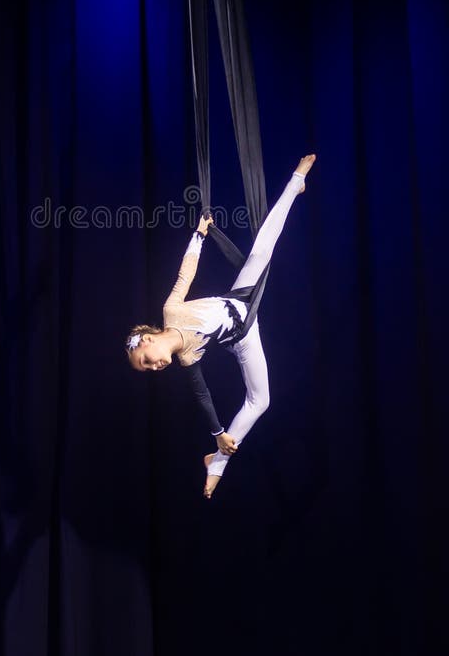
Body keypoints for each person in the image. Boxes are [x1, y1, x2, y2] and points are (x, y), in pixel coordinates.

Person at [126, 154, 316, 498]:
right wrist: (217, 433)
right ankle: (217, 462)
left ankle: (294, 184)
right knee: (261, 401)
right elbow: (203, 395)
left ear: (146, 339)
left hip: (241, 299)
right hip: (244, 334)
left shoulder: (171, 311)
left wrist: (199, 235)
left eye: (146, 359)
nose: (154, 367)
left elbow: (186, 273)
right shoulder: (186, 357)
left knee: (262, 249)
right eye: (150, 369)